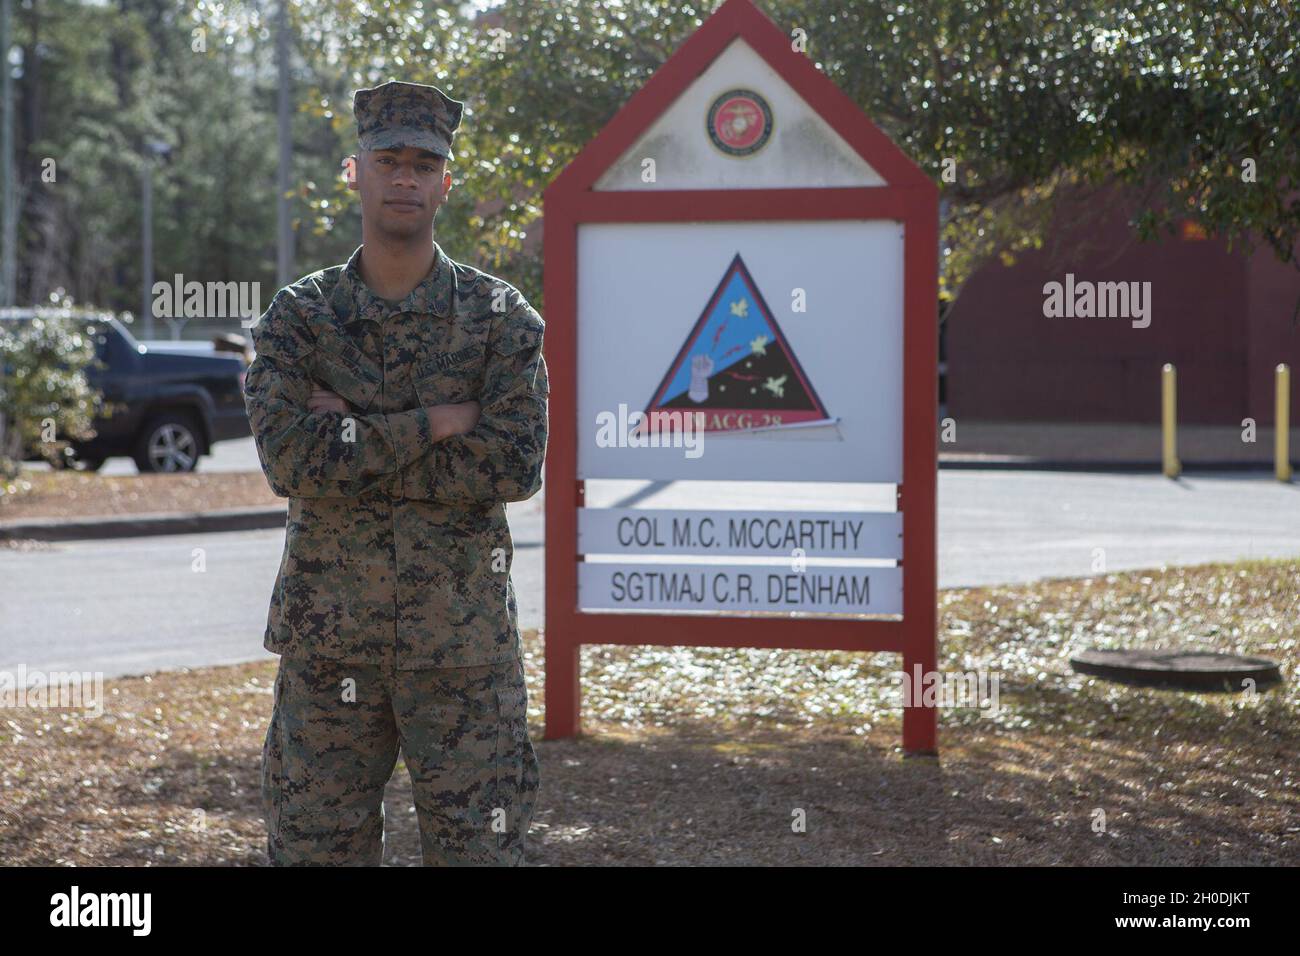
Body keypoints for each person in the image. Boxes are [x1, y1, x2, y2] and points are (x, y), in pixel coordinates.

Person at [243, 79, 546, 866]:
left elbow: (514, 463)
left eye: (423, 162)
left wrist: (354, 434)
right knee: (316, 854)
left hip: (463, 652)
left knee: (484, 854)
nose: (405, 177)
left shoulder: (501, 320)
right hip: (328, 649)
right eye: (388, 160)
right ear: (355, 171)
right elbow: (291, 460)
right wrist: (438, 421)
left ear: (447, 179)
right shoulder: (299, 318)